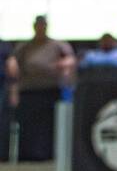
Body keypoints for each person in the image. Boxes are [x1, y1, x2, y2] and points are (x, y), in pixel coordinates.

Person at [5, 16, 75, 161]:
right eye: (38, 25)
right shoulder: (24, 46)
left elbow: (69, 60)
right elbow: (13, 66)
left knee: (50, 126)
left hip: (50, 90)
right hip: (28, 90)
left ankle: (51, 155)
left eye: (42, 25)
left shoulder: (57, 45)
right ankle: (26, 156)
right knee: (28, 126)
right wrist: (14, 90)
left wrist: (61, 69)